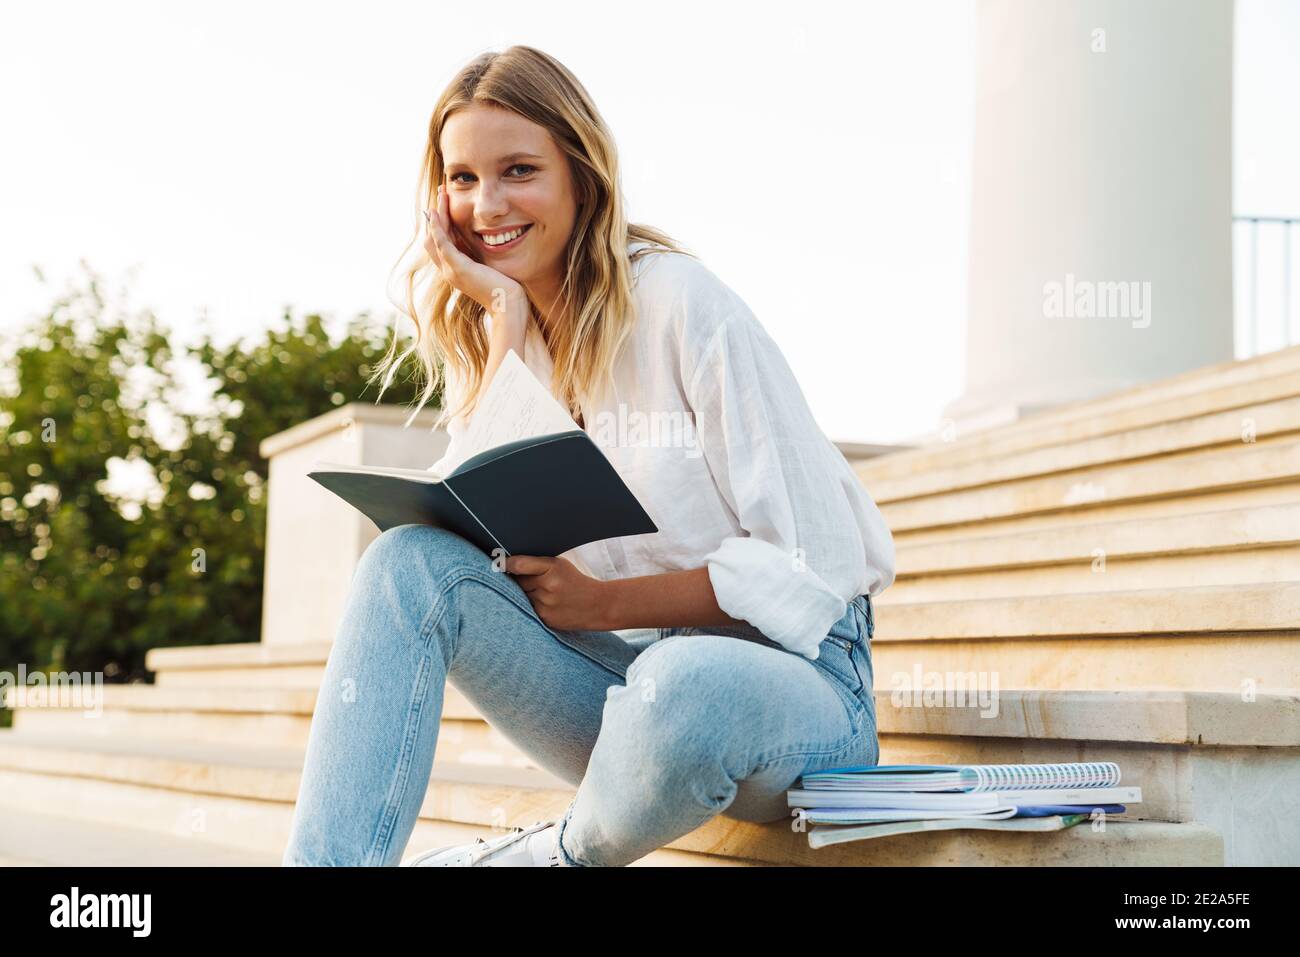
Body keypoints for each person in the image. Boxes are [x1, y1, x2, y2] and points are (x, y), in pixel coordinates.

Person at [281, 44, 895, 867]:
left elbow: (811, 569)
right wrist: (504, 317)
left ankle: (539, 857)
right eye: (461, 179)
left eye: (518, 170)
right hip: (632, 696)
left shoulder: (683, 303)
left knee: (681, 680)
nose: (485, 203)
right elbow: (483, 519)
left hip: (800, 696)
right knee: (406, 564)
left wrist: (605, 604)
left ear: (581, 172)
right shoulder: (513, 339)